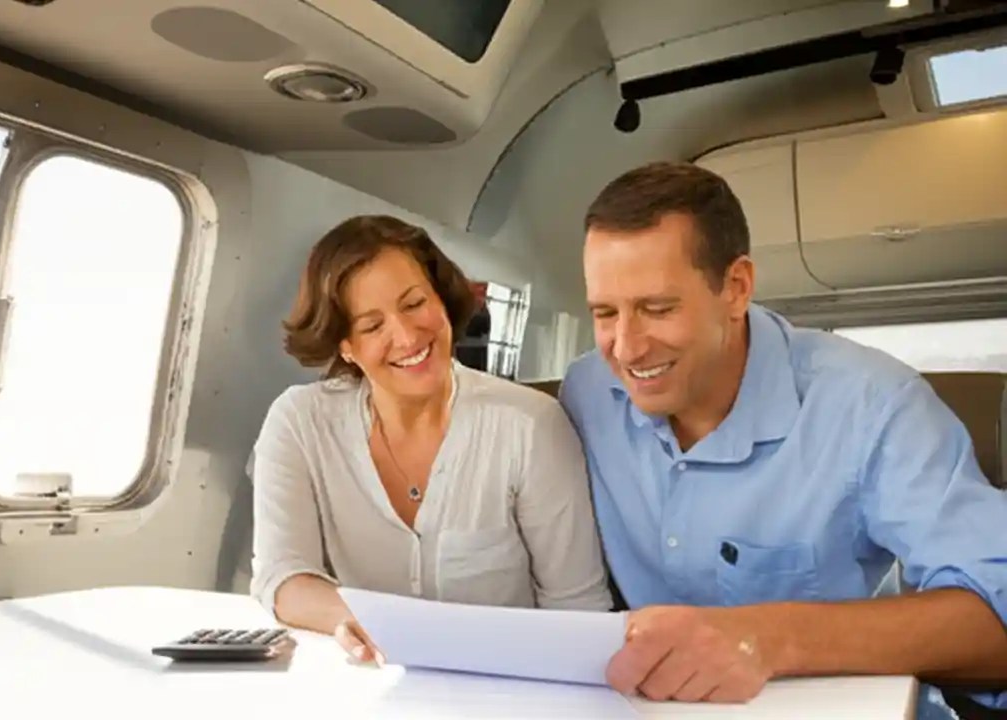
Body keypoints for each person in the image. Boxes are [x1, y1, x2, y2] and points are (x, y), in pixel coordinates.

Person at [558, 161, 1007, 713]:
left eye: (657, 308)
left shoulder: (873, 404)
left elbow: (996, 622)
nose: (625, 349)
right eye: (605, 313)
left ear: (737, 288)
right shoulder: (583, 392)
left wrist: (768, 638)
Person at [250, 215, 611, 661]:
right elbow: (281, 576)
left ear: (441, 299)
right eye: (371, 326)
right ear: (345, 346)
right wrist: (367, 624)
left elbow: (578, 609)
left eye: (414, 303)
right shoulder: (298, 422)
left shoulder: (531, 425)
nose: (405, 336)